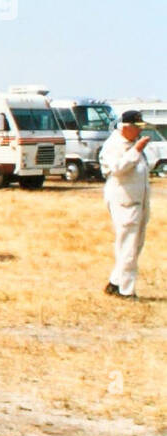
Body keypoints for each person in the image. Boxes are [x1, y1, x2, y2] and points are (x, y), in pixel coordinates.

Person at [99, 110, 153, 299]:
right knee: (128, 246)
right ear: (126, 127)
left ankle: (116, 282)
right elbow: (117, 169)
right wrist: (136, 150)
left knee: (135, 245)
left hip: (138, 201)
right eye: (136, 128)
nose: (139, 132)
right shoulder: (114, 145)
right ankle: (126, 290)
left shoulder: (131, 144)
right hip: (124, 201)